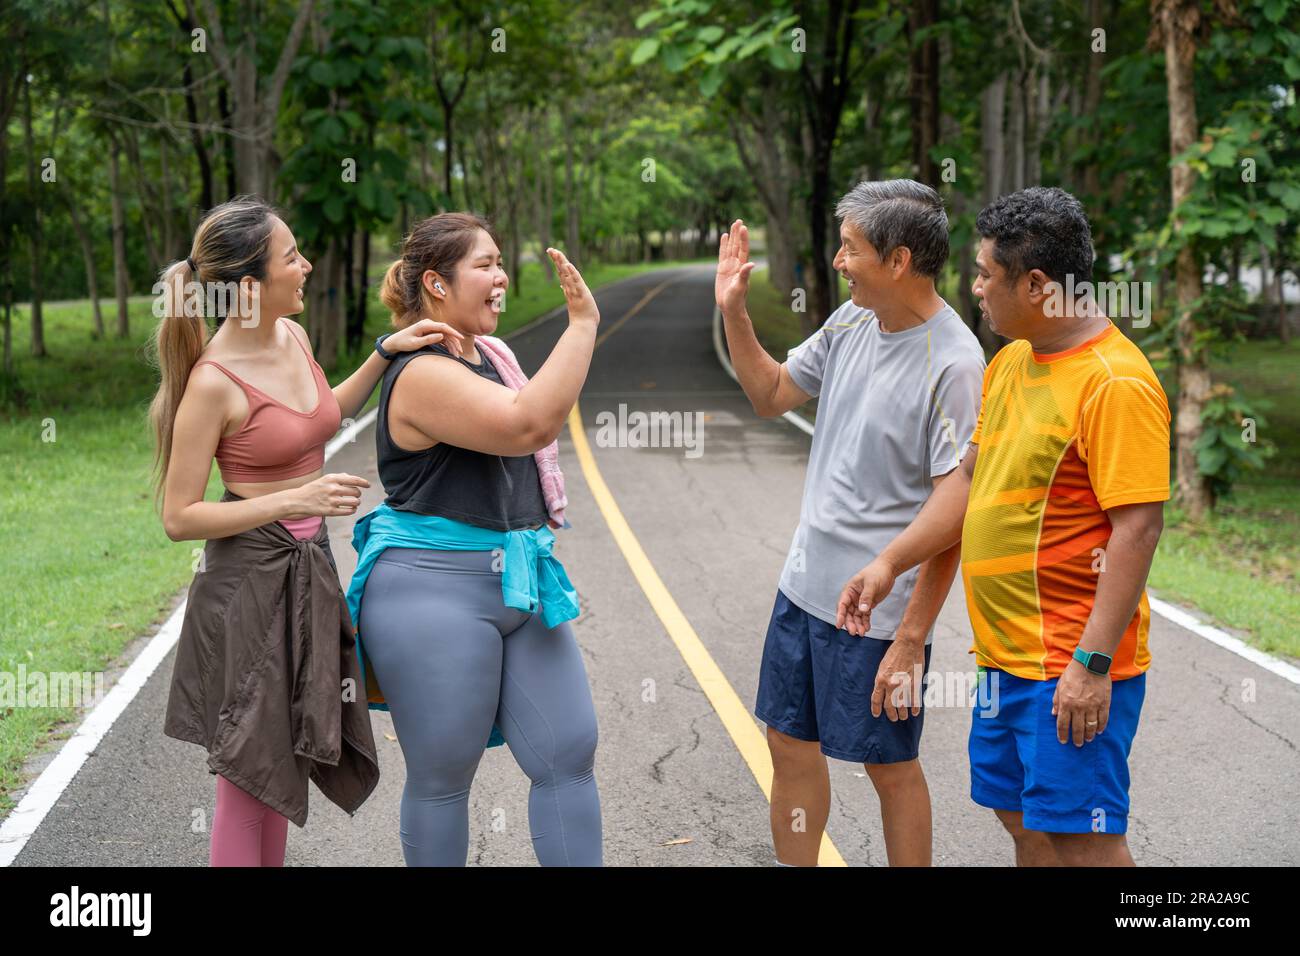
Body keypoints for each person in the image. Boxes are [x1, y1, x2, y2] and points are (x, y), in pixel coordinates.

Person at [838, 186, 1170, 867]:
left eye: (987, 274)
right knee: (1023, 821)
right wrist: (890, 561)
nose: (977, 289)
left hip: (1069, 663)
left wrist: (1092, 665)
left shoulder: (1114, 383)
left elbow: (1137, 532)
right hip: (1005, 659)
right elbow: (966, 481)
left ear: (1038, 283)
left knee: (1084, 841)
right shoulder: (1013, 361)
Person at [150, 195, 460, 867]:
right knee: (249, 771)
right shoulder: (213, 382)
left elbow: (322, 415)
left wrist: (385, 352)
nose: (307, 265)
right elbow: (179, 517)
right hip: (248, 583)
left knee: (284, 760)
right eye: (292, 256)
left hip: (308, 566)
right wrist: (296, 496)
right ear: (252, 285)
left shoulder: (292, 337)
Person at [716, 180, 986, 866]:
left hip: (877, 613)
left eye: (850, 248)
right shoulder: (850, 322)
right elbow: (772, 393)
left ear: (898, 261)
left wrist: (912, 638)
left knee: (888, 767)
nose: (837, 260)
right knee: (788, 743)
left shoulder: (955, 362)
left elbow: (954, 511)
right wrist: (734, 312)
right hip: (805, 590)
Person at [344, 213, 603, 866]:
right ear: (436, 282)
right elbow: (528, 425)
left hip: (518, 578)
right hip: (431, 593)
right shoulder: (424, 373)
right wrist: (582, 326)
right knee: (442, 779)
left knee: (568, 753)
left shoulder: (492, 355)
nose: (500, 276)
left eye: (499, 261)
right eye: (484, 264)